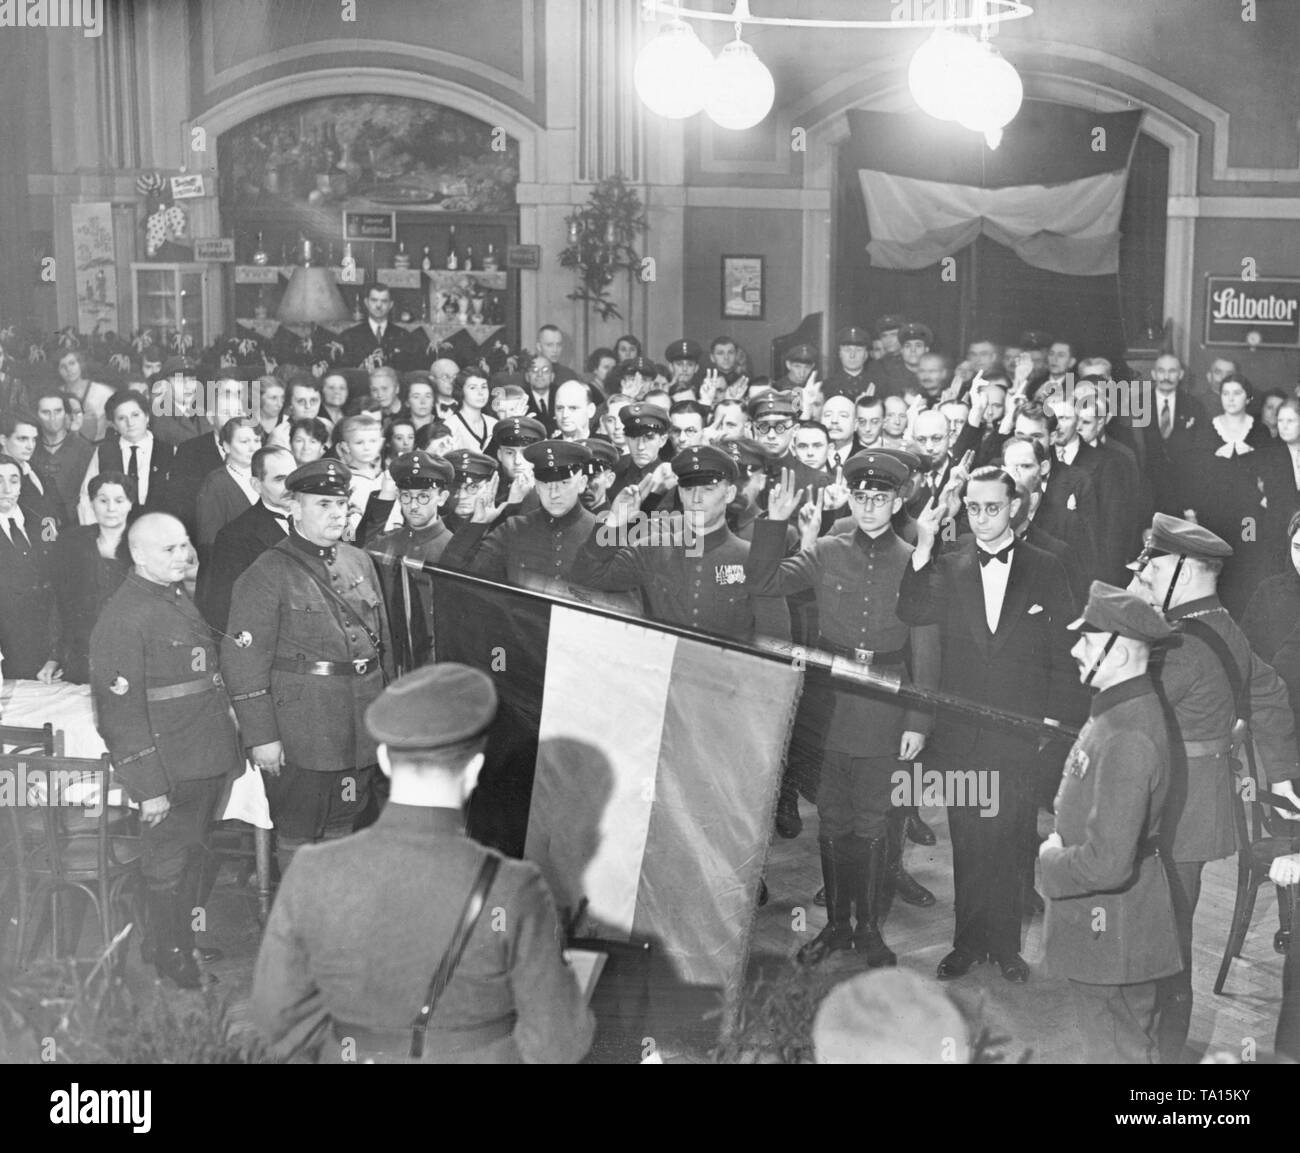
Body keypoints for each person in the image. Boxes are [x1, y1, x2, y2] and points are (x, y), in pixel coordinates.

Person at [250, 661, 594, 1063]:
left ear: (383, 759)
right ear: (474, 769)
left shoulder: (313, 871)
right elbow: (560, 1041)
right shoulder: (514, 887)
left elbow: (276, 1022)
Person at [749, 455, 940, 967]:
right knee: (832, 818)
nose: (870, 506)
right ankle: (836, 926)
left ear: (898, 502)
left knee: (874, 819)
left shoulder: (914, 560)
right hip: (829, 705)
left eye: (881, 497)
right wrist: (774, 523)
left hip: (885, 704)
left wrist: (918, 721)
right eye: (861, 497)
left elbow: (926, 651)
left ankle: (869, 930)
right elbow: (763, 582)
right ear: (850, 498)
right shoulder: (827, 551)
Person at [1125, 512, 1300, 1063]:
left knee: (1159, 939)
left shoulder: (1180, 643)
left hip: (1167, 810)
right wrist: (1282, 778)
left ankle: (1160, 1056)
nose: (1144, 573)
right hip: (1196, 807)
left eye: (1154, 565)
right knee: (1170, 928)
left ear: (1185, 570)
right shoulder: (1220, 625)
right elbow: (1270, 693)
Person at [899, 466, 1082, 983]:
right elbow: (910, 610)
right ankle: (966, 944)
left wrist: (1053, 719)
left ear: (1015, 508)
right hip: (962, 732)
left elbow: (1065, 649)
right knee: (968, 840)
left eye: (993, 508)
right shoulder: (948, 563)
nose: (982, 518)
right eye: (974, 508)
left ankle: (1005, 948)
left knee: (1010, 838)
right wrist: (923, 547)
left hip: (1019, 732)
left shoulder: (1047, 566)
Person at [89, 512, 241, 987]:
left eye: (184, 545)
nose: (184, 555)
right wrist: (149, 787)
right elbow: (119, 714)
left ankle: (173, 941)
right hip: (171, 764)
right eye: (169, 549)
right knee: (167, 862)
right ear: (138, 554)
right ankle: (172, 956)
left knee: (191, 853)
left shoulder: (171, 598)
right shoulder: (124, 616)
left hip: (202, 753)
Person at [221, 459, 395, 875]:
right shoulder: (266, 573)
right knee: (298, 833)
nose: (337, 514)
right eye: (323, 504)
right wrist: (262, 737)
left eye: (342, 504)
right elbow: (243, 663)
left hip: (359, 729)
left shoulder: (359, 562)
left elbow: (383, 647)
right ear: (295, 508)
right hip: (305, 733)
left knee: (346, 823)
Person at [1039, 581, 1182, 1063]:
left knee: (1117, 1051)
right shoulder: (1120, 710)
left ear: (1117, 653)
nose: (1075, 649)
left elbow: (1107, 865)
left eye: (1086, 640)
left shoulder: (1127, 735)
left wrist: (1050, 861)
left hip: (1113, 929)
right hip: (1109, 925)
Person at [571, 445, 790, 644]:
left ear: (729, 494)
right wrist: (613, 523)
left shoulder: (754, 561)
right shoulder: (652, 549)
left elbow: (776, 643)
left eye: (708, 489)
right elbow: (587, 578)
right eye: (688, 488)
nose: (696, 499)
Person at [1180, 372, 1281, 616]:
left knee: (1248, 558)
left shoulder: (1260, 431)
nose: (1231, 398)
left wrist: (1250, 454)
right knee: (1214, 564)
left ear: (1248, 398)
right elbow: (1195, 475)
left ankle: (1241, 619)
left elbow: (1270, 472)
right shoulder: (1207, 429)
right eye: (1225, 393)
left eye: (1237, 393)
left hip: (1249, 515)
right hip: (1214, 514)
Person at [366, 451, 456, 675]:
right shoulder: (386, 544)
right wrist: (383, 499)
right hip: (391, 666)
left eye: (423, 496)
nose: (413, 505)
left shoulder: (453, 549)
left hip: (438, 668)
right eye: (406, 496)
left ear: (442, 497)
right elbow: (354, 550)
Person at [194, 446, 295, 635]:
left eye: (293, 477)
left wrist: (350, 527)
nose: (290, 487)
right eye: (279, 479)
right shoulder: (234, 536)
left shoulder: (315, 519)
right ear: (256, 485)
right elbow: (226, 607)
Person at [53, 471, 134, 683]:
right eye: (103, 500)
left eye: (119, 500)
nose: (111, 508)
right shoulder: (71, 542)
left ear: (130, 504)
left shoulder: (145, 543)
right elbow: (60, 603)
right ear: (91, 503)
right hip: (82, 656)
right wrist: (54, 657)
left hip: (133, 656)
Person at [0, 453, 61, 682]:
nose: (6, 489)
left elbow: (58, 568)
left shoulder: (44, 519)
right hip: (9, 647)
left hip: (49, 640)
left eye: (13, 480)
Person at [77, 389, 175, 525]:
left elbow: (179, 500)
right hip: (113, 529)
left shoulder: (169, 452)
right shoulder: (104, 453)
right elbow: (87, 496)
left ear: (147, 417)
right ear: (114, 425)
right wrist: (95, 531)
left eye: (135, 415)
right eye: (122, 418)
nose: (130, 423)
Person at [194, 416, 260, 555]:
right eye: (244, 442)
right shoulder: (215, 484)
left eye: (257, 440)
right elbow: (209, 542)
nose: (253, 448)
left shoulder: (265, 476)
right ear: (227, 446)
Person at [32, 390, 95, 524]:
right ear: (36, 415)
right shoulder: (30, 448)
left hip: (76, 524)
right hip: (39, 523)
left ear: (67, 414)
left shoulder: (85, 450)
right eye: (46, 412)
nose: (52, 417)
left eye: (58, 411)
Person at [339, 283, 422, 371]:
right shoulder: (349, 336)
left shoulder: (404, 336)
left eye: (384, 301)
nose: (379, 305)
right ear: (366, 303)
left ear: (391, 305)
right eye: (374, 300)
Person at [56, 349, 114, 443]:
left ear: (80, 364)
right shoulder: (56, 395)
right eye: (63, 366)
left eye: (72, 363)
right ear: (58, 371)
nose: (68, 370)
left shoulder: (103, 392)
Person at [448, 369, 497, 452]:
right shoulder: (451, 426)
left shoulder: (493, 424)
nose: (480, 393)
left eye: (484, 387)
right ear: (460, 391)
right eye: (473, 388)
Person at [824, 327, 873, 400]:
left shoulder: (879, 384)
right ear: (840, 354)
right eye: (847, 350)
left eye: (858, 350)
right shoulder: (827, 386)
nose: (852, 355)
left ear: (866, 354)